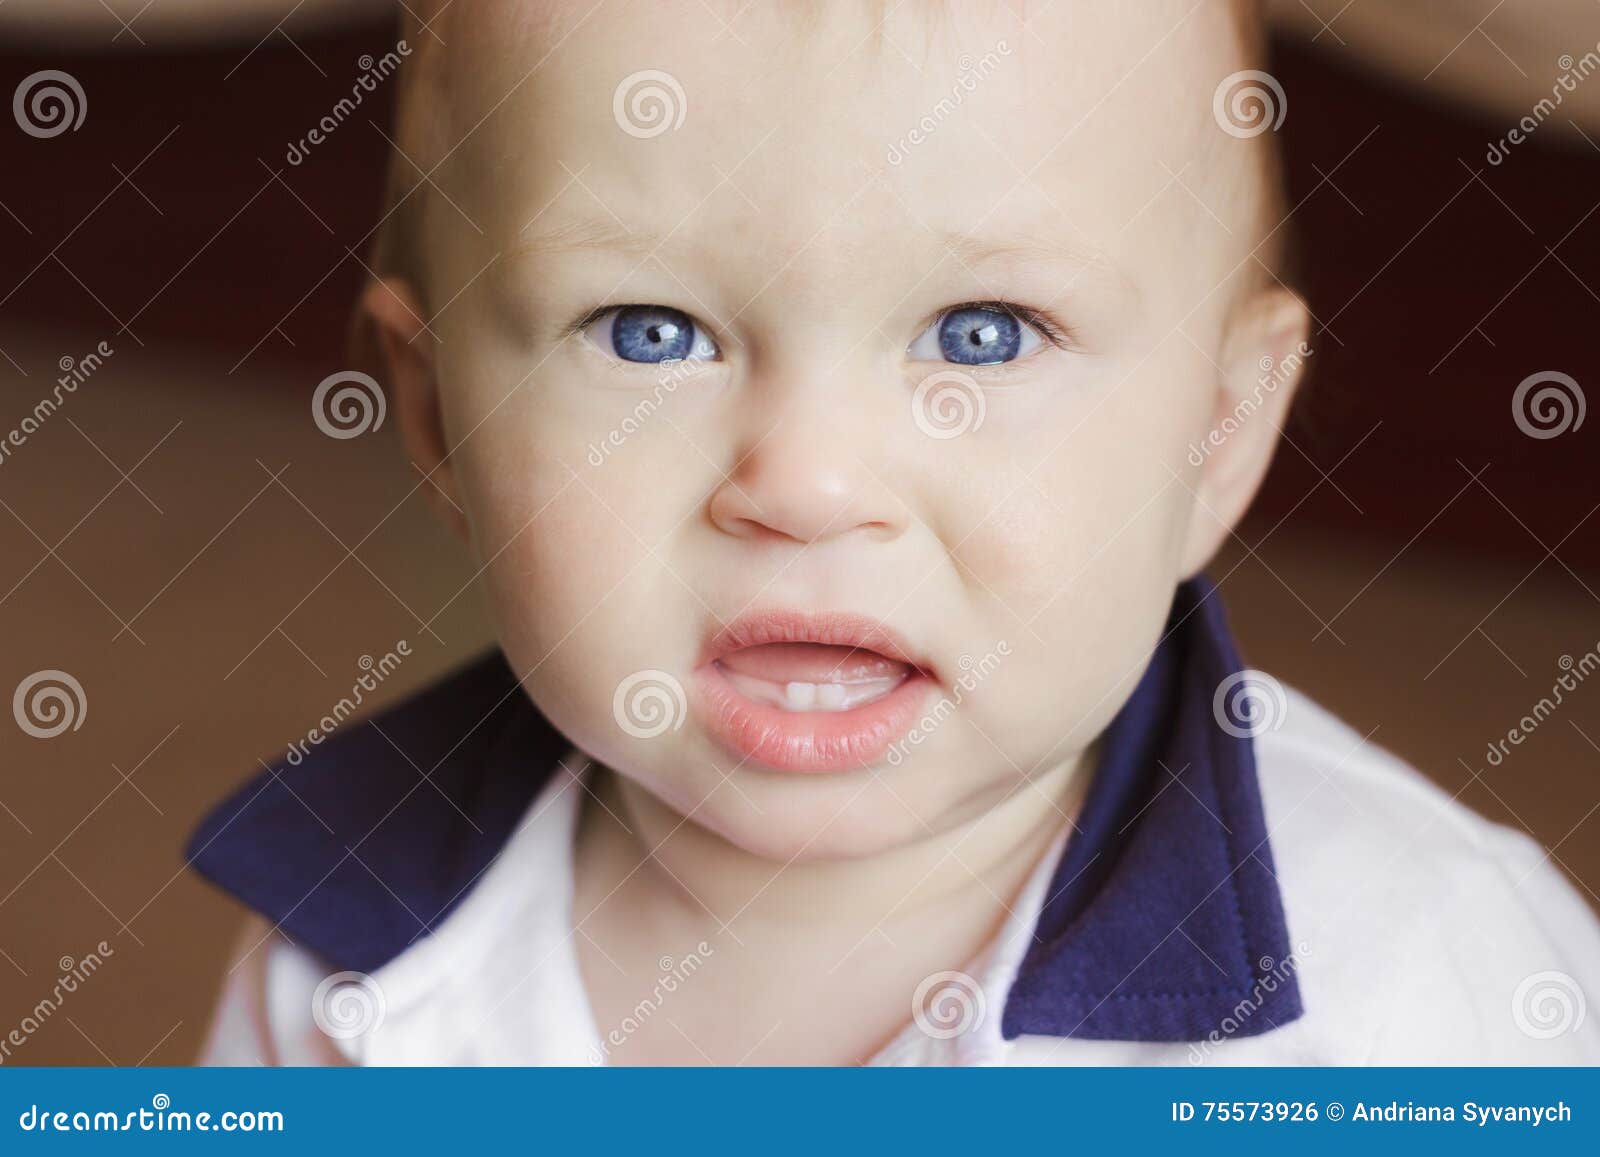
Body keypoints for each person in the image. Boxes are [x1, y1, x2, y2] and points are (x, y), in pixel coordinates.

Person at [186, 0, 1600, 1065]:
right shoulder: (339, 946)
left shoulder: (1426, 987)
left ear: (1216, 435)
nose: (805, 485)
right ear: (438, 421)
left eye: (982, 337)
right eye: (649, 329)